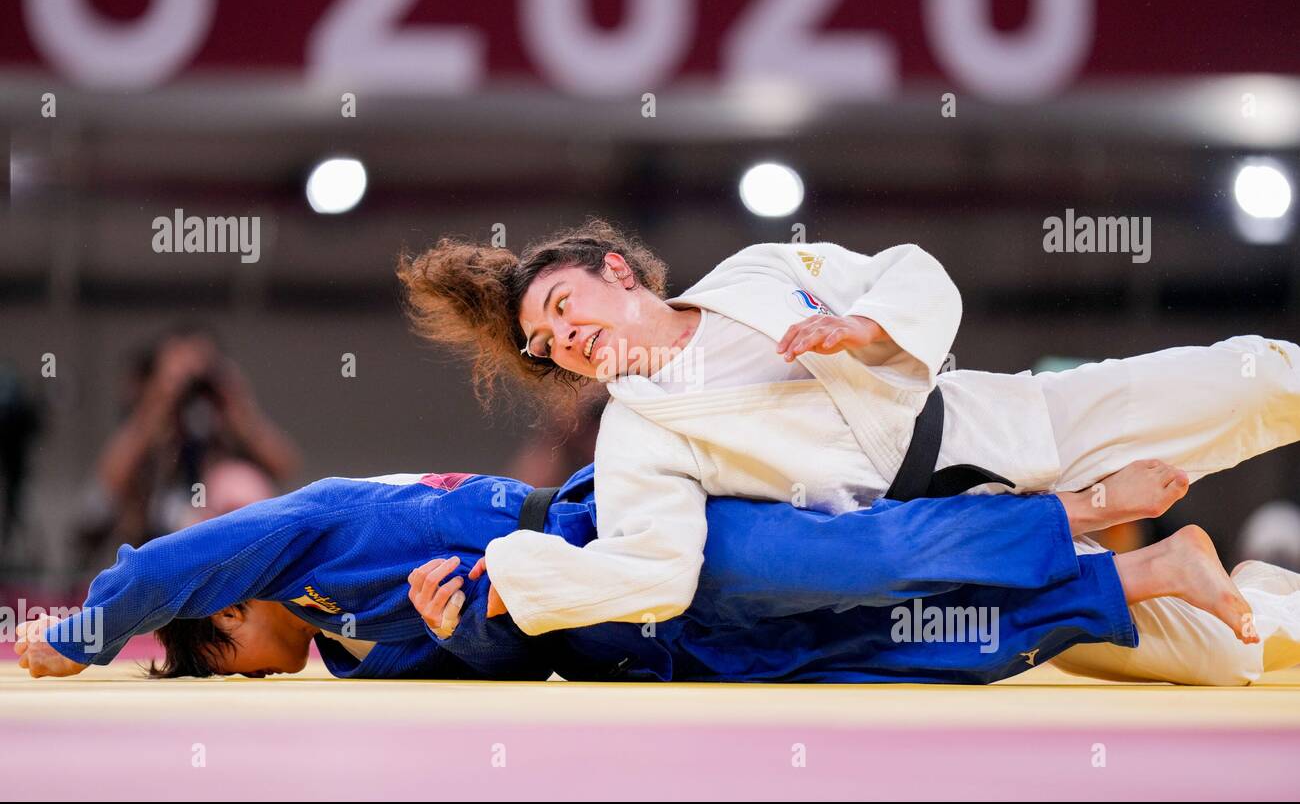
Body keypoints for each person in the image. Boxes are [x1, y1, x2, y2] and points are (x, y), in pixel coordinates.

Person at [396, 220, 1299, 641]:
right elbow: (654, 574)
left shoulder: (755, 272)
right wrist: (509, 575)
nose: (567, 341)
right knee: (1217, 650)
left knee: (1251, 375)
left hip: (1003, 419)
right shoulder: (638, 436)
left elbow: (911, 267)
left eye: (564, 307)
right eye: (548, 345)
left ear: (617, 271)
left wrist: (868, 330)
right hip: (955, 548)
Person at [14, 462, 1300, 686]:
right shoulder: (360, 643)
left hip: (616, 535)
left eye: (226, 656)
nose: (260, 670)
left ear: (224, 615)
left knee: (858, 555)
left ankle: (1079, 512)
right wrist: (457, 637)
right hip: (638, 634)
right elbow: (512, 666)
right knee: (916, 639)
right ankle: (1137, 582)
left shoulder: (305, 536)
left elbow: (177, 557)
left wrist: (77, 629)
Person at [76, 327, 300, 570]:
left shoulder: (227, 426)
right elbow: (111, 481)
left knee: (239, 484)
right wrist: (161, 399)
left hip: (224, 562)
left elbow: (285, 465)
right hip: (157, 561)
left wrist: (236, 405)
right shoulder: (148, 428)